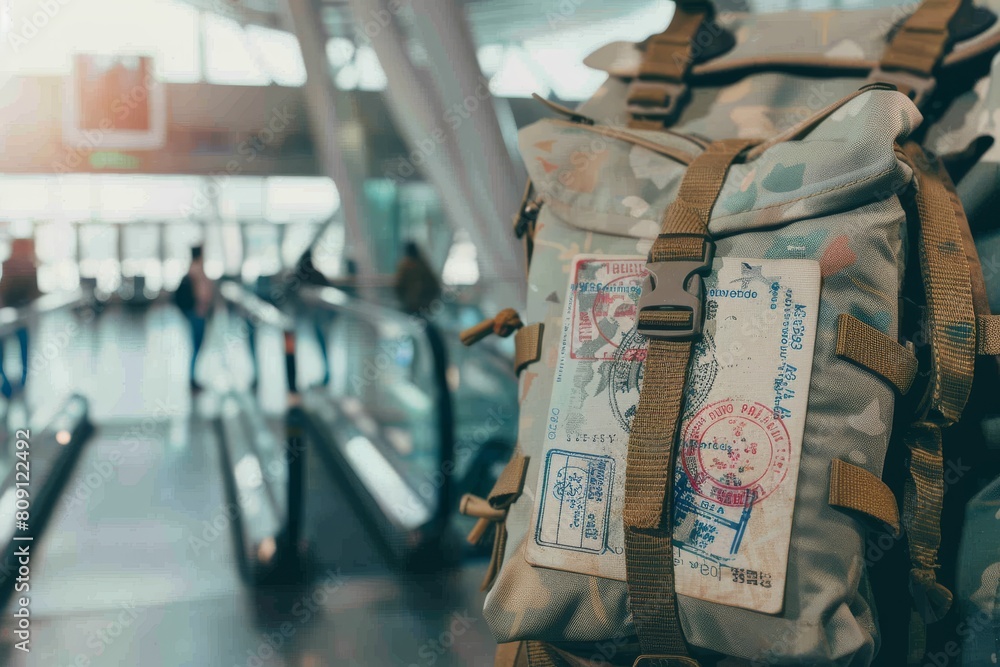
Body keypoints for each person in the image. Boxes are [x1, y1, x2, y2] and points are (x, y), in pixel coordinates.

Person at [0, 238, 41, 398]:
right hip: (6, 318)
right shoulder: (8, 265)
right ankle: (7, 383)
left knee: (23, 349)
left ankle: (21, 383)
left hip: (23, 317)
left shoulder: (30, 266)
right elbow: (3, 290)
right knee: (2, 351)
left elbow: (34, 293)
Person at [174, 246, 215, 392]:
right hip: (198, 312)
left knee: (196, 346)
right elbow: (202, 292)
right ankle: (192, 378)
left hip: (196, 312)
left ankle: (193, 377)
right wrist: (203, 306)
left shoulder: (192, 268)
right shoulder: (197, 269)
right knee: (196, 345)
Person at [394, 241, 441, 317]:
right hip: (420, 306)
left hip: (414, 305)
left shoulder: (406, 267)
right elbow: (434, 285)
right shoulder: (423, 265)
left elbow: (399, 286)